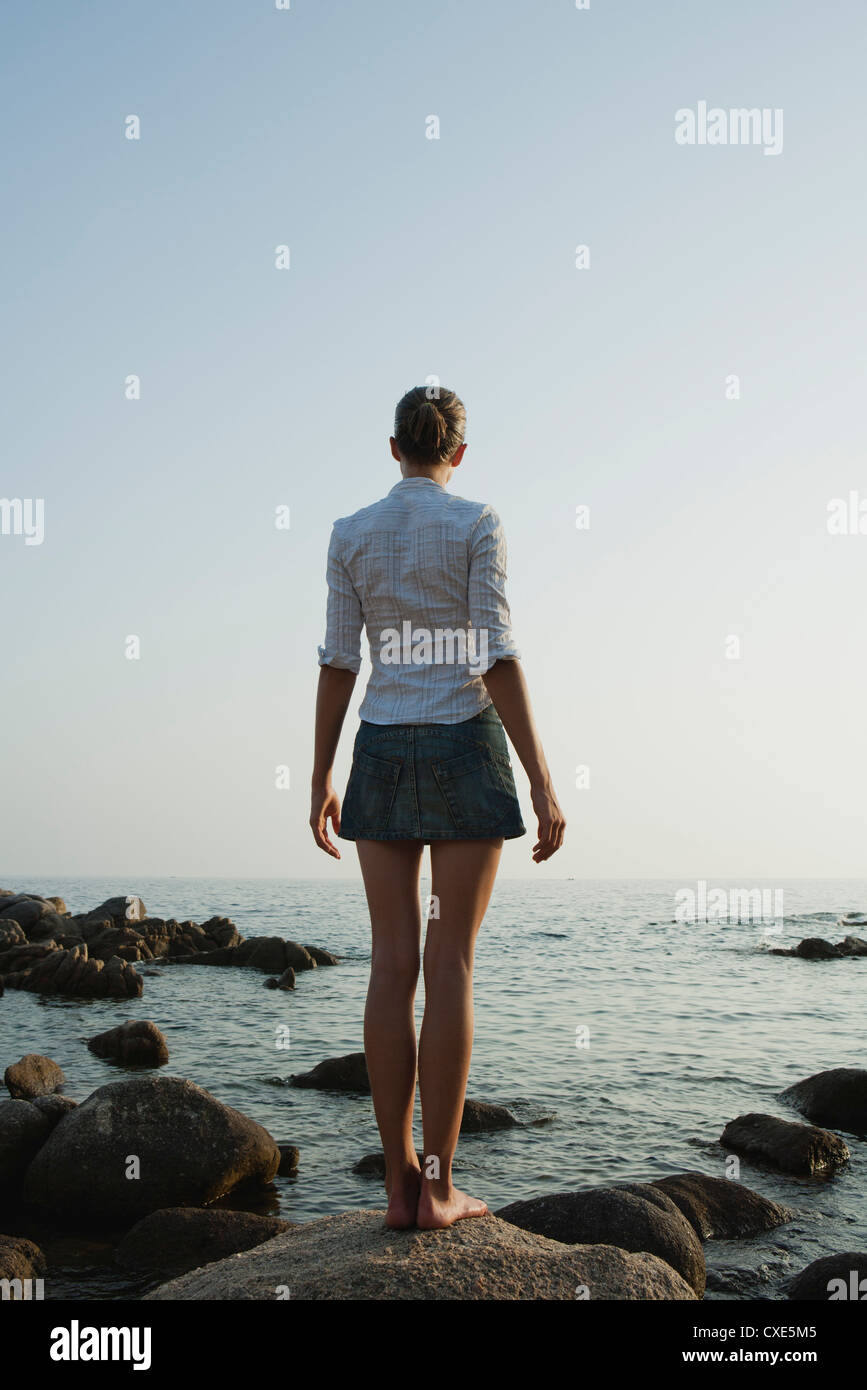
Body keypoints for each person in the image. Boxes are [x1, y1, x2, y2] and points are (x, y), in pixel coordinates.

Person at [311, 385, 565, 1230]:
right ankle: (440, 1189)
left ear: (393, 449)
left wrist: (320, 777)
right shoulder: (478, 522)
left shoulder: (351, 533)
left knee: (391, 964)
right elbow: (495, 652)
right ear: (458, 453)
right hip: (463, 742)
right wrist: (539, 776)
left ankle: (394, 1192)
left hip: (381, 746)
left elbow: (337, 664)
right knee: (449, 962)